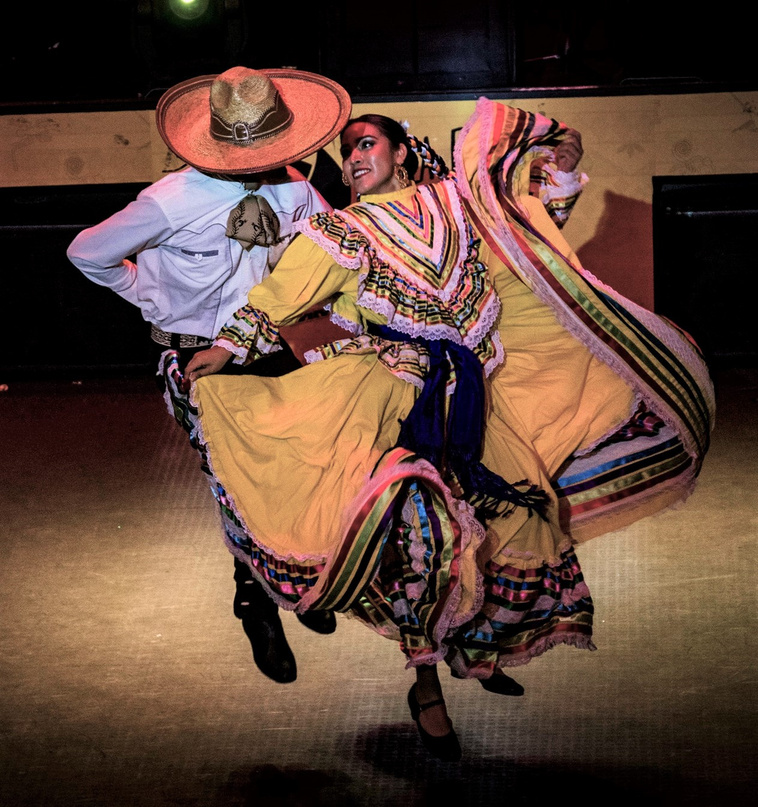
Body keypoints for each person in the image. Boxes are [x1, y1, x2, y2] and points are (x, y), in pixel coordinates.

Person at [163, 101, 715, 761]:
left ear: (400, 152)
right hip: (393, 400)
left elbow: (531, 230)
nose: (354, 159)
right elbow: (280, 293)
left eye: (366, 144)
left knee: (518, 526)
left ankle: (472, 650)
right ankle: (425, 684)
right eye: (346, 152)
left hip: (483, 400)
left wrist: (562, 168)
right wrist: (223, 351)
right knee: (423, 543)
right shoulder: (343, 231)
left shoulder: (461, 205)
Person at [66, 66, 354, 685]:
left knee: (296, 468)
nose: (264, 162)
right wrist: (144, 292)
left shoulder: (298, 193)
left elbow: (333, 250)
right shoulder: (170, 201)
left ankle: (290, 580)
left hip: (270, 347)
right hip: (196, 357)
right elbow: (86, 251)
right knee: (236, 478)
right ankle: (256, 603)